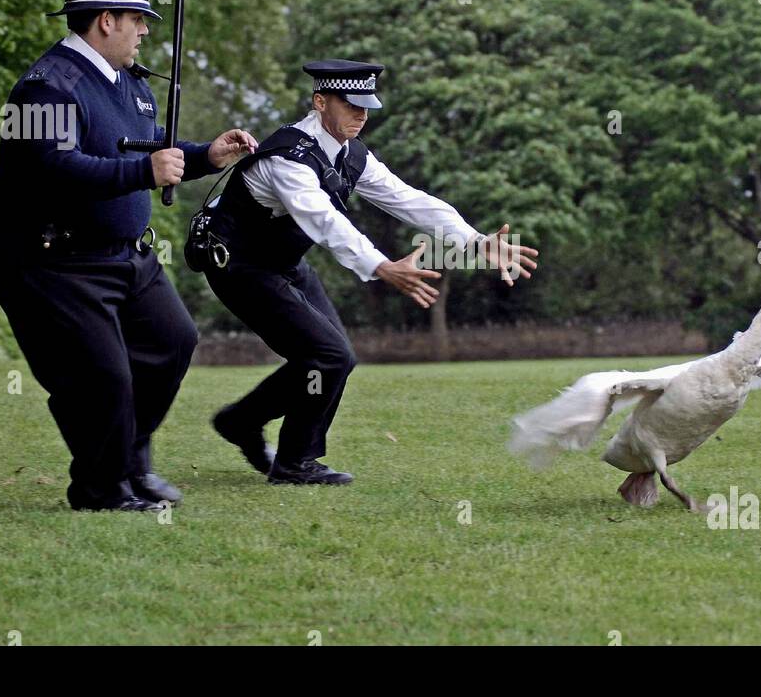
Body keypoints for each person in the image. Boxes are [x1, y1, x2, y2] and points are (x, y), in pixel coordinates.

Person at [0, 0, 256, 512]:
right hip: (50, 257)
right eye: (138, 20)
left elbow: (149, 152)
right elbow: (56, 169)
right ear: (107, 20)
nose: (145, 33)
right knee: (103, 378)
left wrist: (207, 156)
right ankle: (101, 491)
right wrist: (144, 171)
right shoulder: (44, 87)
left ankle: (129, 461)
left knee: (172, 342)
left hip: (123, 253)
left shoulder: (131, 84)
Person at [204, 59, 538, 485]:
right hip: (239, 266)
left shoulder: (348, 154)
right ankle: (292, 463)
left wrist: (473, 241)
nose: (362, 115)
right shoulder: (289, 158)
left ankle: (243, 423)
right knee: (328, 355)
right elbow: (325, 222)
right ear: (320, 101)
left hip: (283, 263)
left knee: (334, 358)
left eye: (367, 106)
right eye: (351, 105)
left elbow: (408, 199)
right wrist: (380, 265)